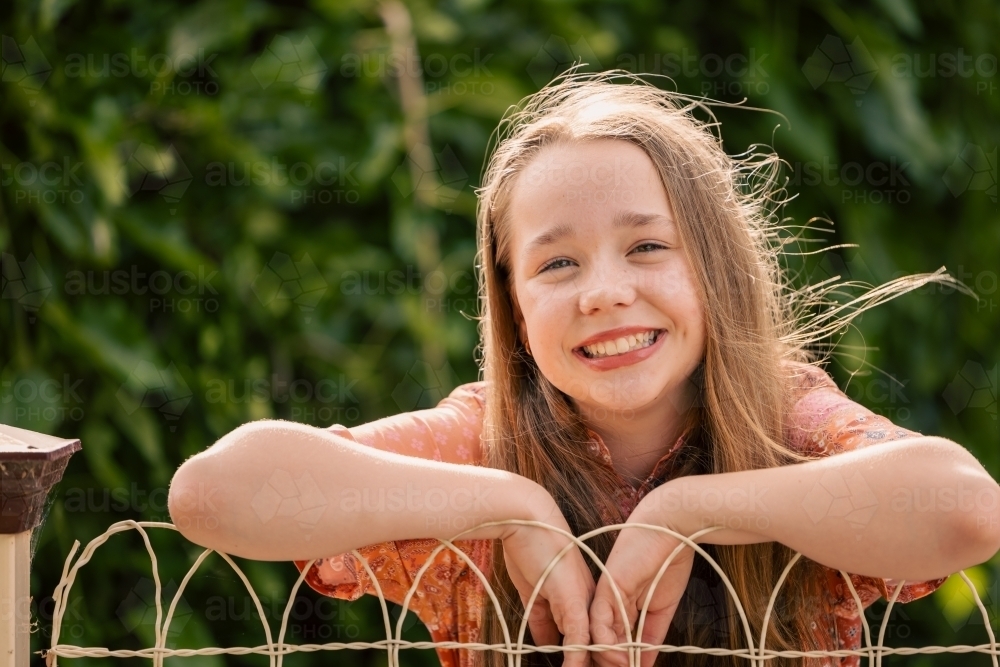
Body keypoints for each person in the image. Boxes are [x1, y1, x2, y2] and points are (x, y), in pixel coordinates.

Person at [168, 72, 1000, 667]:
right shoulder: (486, 441)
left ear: (716, 268)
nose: (605, 292)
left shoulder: (784, 423)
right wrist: (508, 508)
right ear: (514, 307)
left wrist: (692, 513)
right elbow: (213, 493)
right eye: (557, 264)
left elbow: (965, 508)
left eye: (646, 246)